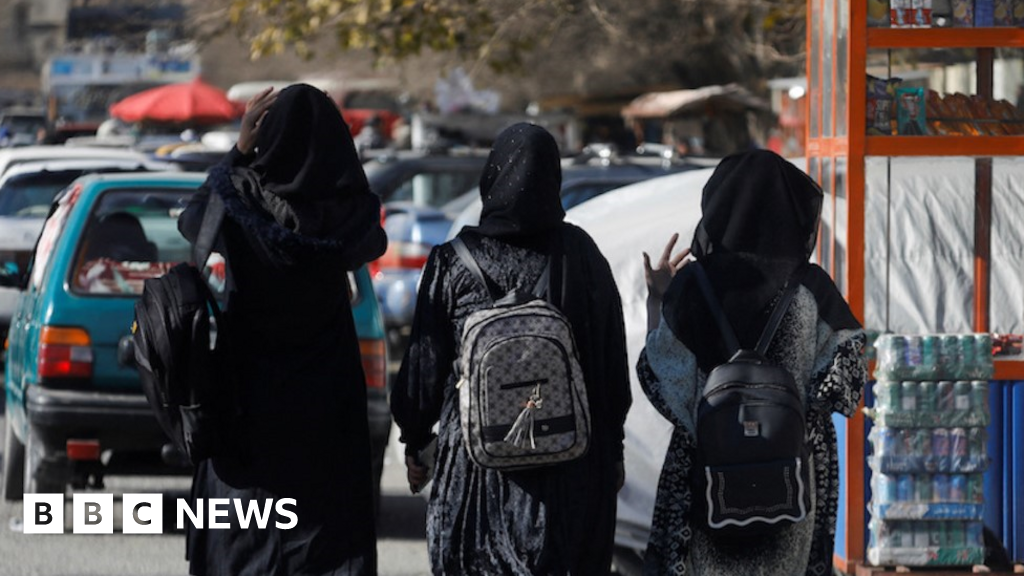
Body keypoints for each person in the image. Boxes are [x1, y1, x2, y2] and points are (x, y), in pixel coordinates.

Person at [390, 122, 631, 575]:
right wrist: (612, 448)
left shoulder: (452, 261)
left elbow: (424, 370)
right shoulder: (580, 255)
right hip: (571, 469)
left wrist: (416, 441)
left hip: (478, 470)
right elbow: (610, 364)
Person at [178, 84, 387, 576]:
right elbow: (369, 233)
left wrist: (240, 150)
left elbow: (193, 222)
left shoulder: (242, 198)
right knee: (324, 527)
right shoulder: (348, 216)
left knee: (242, 525)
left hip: (245, 393)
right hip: (325, 395)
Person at [637, 149, 866, 575]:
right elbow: (846, 386)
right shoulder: (811, 289)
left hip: (707, 483)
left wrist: (658, 298)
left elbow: (660, 381)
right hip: (790, 481)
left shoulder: (693, 286)